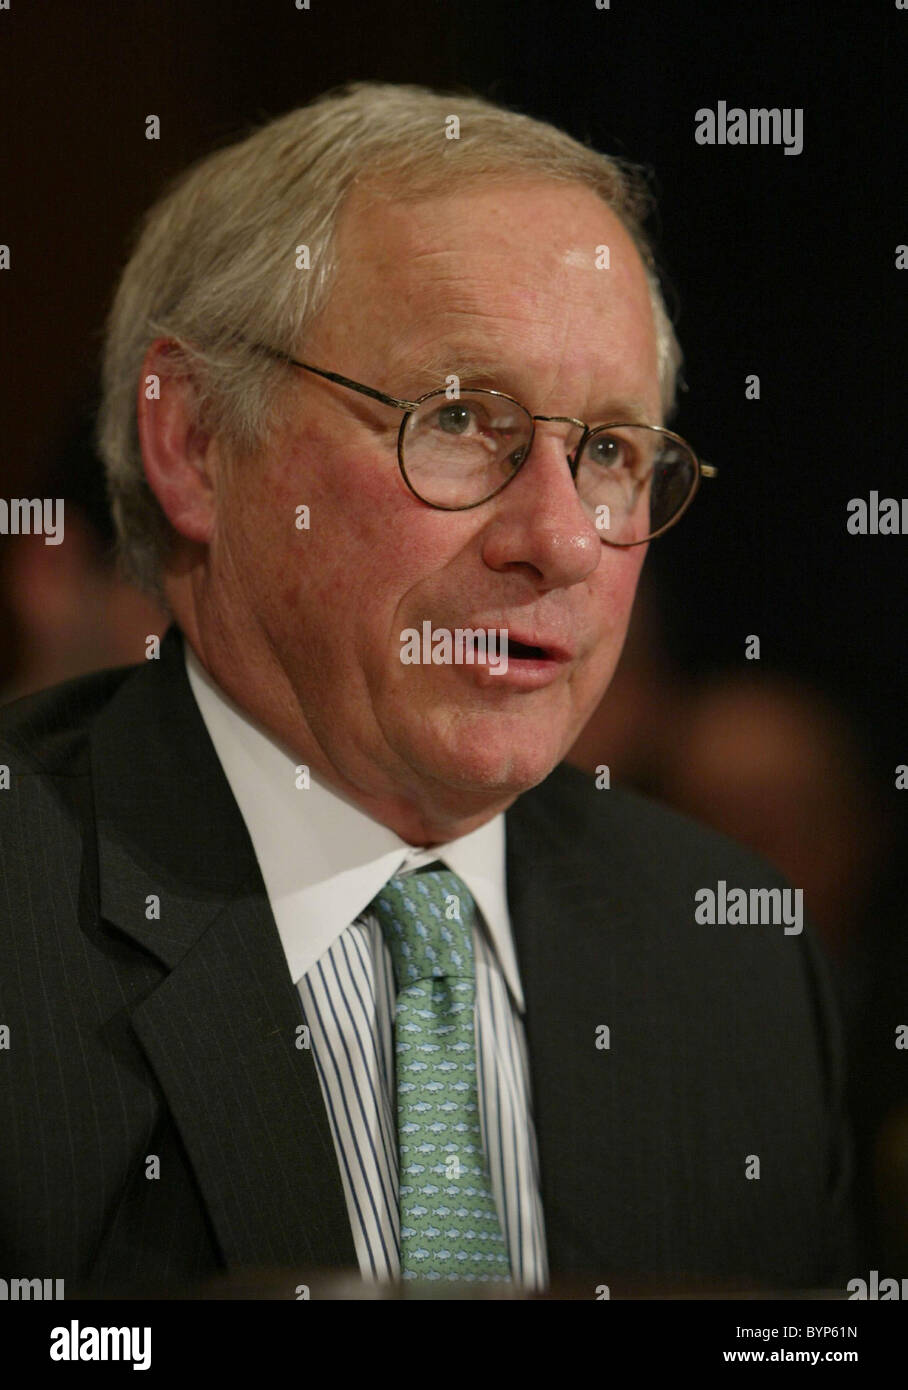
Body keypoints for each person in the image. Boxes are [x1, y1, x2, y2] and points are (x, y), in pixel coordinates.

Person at [0, 82, 855, 1297]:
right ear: (191, 440)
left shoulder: (727, 957)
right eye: (459, 417)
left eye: (608, 450)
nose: (559, 541)